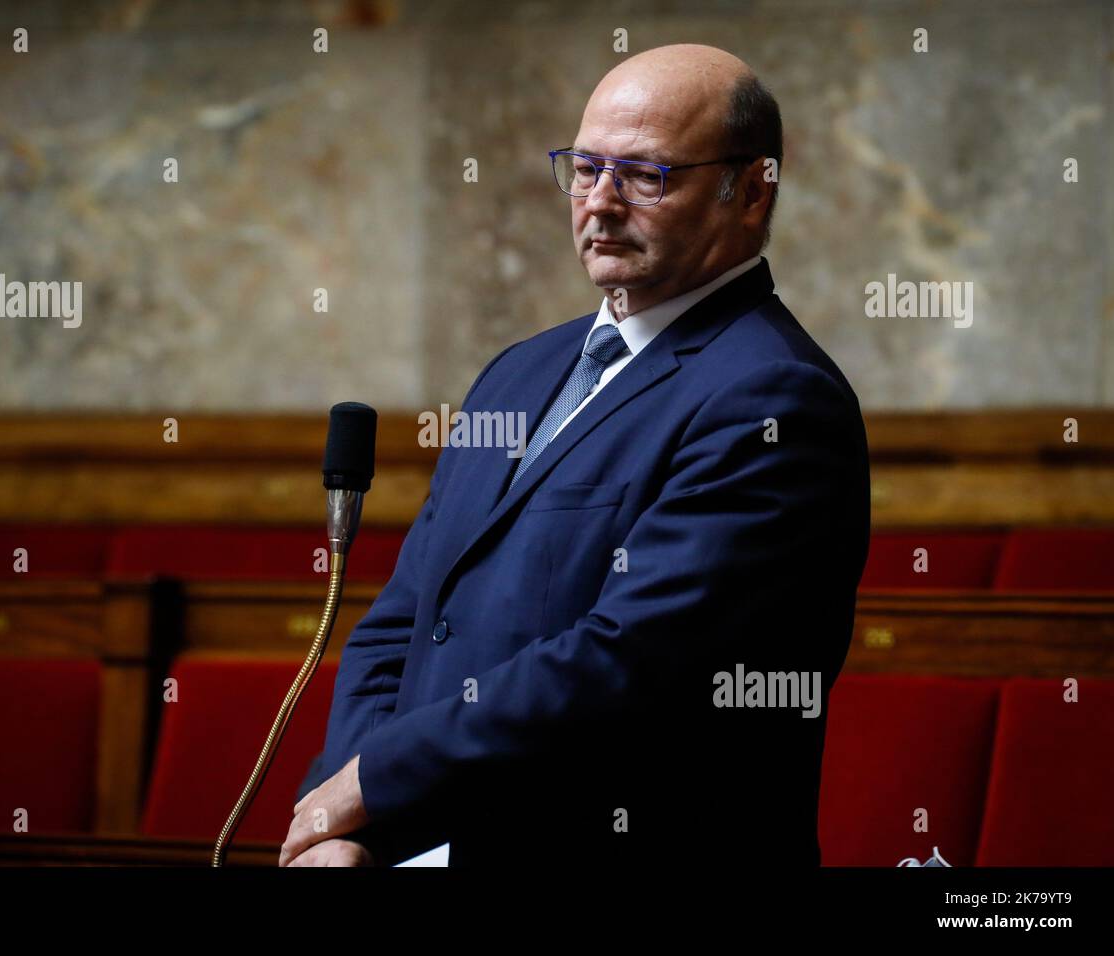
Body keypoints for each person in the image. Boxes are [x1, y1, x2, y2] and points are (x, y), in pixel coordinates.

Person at [280, 43, 870, 867]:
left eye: (646, 175)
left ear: (751, 190)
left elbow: (627, 663)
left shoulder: (773, 397)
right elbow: (405, 624)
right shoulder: (517, 373)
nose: (600, 202)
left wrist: (375, 782)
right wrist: (348, 823)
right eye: (586, 167)